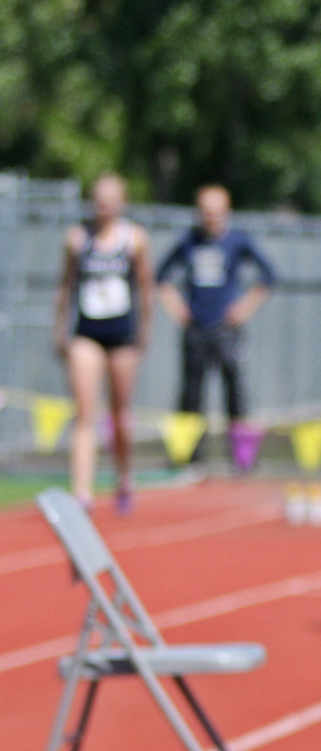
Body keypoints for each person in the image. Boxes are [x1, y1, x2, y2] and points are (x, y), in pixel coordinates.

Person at [52, 175, 154, 513]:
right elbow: (66, 286)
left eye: (111, 198)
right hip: (86, 332)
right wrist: (59, 330)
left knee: (119, 413)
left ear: (122, 201)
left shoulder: (134, 238)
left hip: (122, 334)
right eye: (99, 198)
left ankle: (124, 476)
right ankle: (82, 490)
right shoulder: (77, 239)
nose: (104, 205)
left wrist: (144, 331)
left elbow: (145, 286)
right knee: (84, 412)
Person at [156, 184, 275, 466]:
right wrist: (177, 308)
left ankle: (241, 456)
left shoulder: (237, 242)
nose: (210, 219)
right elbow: (161, 277)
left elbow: (268, 276)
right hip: (196, 327)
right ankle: (188, 457)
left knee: (235, 391)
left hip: (226, 328)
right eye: (206, 213)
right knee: (191, 394)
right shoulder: (188, 241)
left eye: (216, 213)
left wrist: (244, 308)